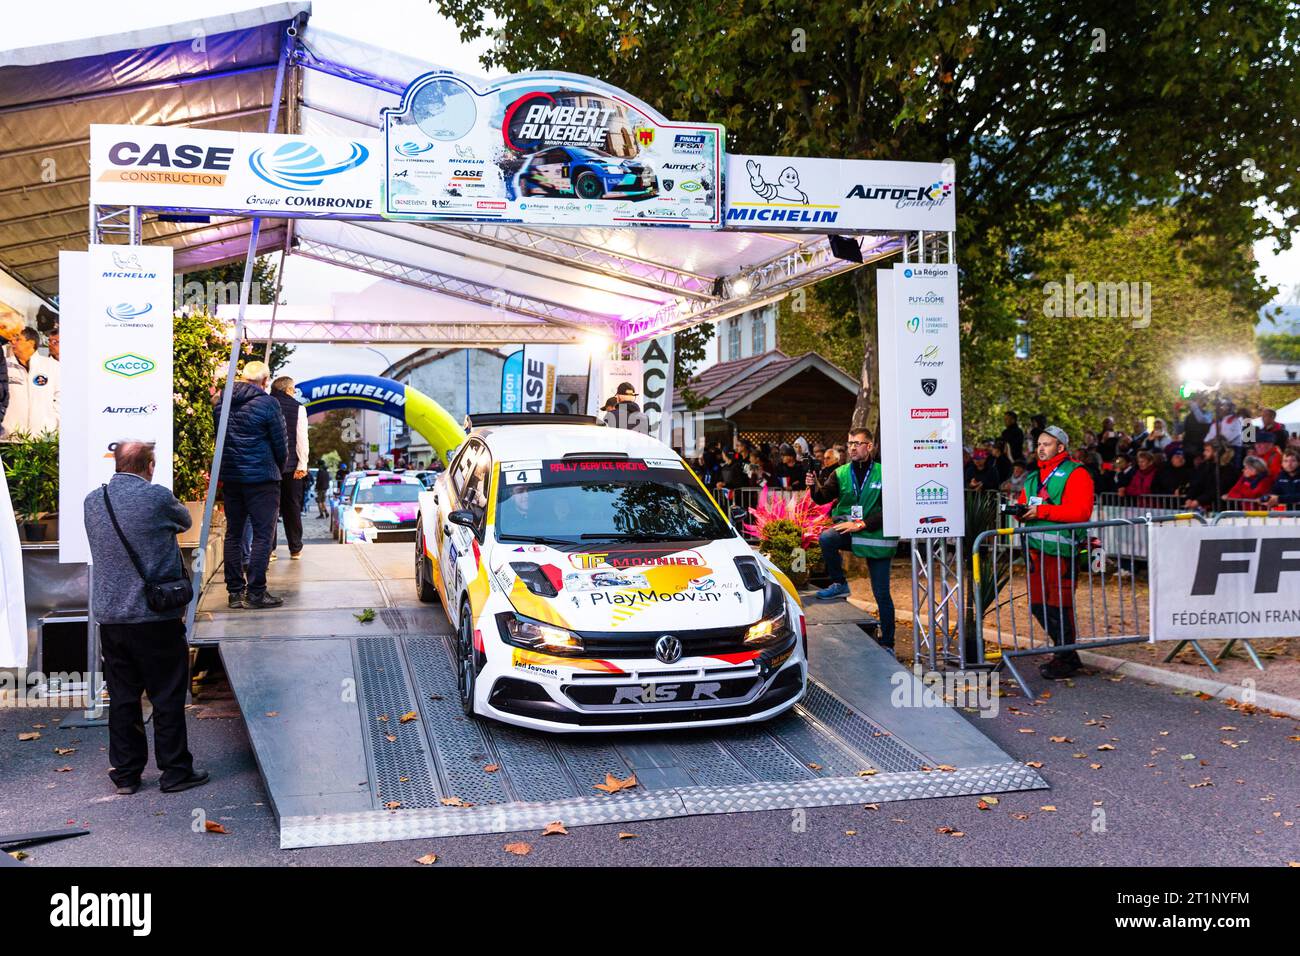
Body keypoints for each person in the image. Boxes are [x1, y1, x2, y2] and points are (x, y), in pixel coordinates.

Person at [82, 441, 208, 795]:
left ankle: (125, 774)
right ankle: (175, 771)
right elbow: (184, 521)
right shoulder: (156, 498)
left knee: (123, 697)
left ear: (116, 463)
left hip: (112, 617)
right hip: (155, 616)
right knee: (166, 694)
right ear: (149, 465)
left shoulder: (93, 501)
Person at [1015, 425, 1095, 680]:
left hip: (1062, 552)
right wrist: (1018, 510)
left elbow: (1080, 513)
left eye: (1047, 444)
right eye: (1038, 443)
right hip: (1035, 552)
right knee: (1038, 606)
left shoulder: (1077, 473)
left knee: (1060, 606)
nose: (1040, 448)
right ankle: (1068, 655)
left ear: (1060, 448)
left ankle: (1066, 657)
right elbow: (1022, 504)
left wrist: (1042, 512)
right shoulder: (1031, 478)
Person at [807, 428, 898, 649]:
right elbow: (821, 498)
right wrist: (812, 484)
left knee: (882, 594)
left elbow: (891, 510)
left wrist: (860, 524)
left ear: (869, 446)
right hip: (853, 533)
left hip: (876, 537)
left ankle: (887, 643)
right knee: (827, 538)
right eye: (850, 444)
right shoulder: (840, 472)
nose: (853, 447)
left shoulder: (885, 473)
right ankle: (839, 583)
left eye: (857, 443)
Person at [217, 361, 287, 609]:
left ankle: (235, 593)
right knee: (262, 535)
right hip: (262, 478)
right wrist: (279, 466)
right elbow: (280, 442)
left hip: (232, 476)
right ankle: (256, 593)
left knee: (234, 533)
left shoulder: (222, 402)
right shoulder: (268, 404)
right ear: (265, 380)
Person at [270, 376, 309, 559]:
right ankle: (295, 548)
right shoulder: (298, 408)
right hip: (292, 466)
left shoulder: (265, 404)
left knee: (270, 508)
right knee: (292, 507)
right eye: (293, 389)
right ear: (287, 390)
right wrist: (302, 464)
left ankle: (270, 549)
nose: (294, 393)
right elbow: (302, 439)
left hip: (270, 465)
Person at [1, 326, 60, 440]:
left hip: (44, 441)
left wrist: (52, 425)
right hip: (8, 439)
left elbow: (61, 399)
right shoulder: (5, 366)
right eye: (12, 339)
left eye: (18, 339)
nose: (13, 342)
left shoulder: (53, 367)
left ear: (31, 343)